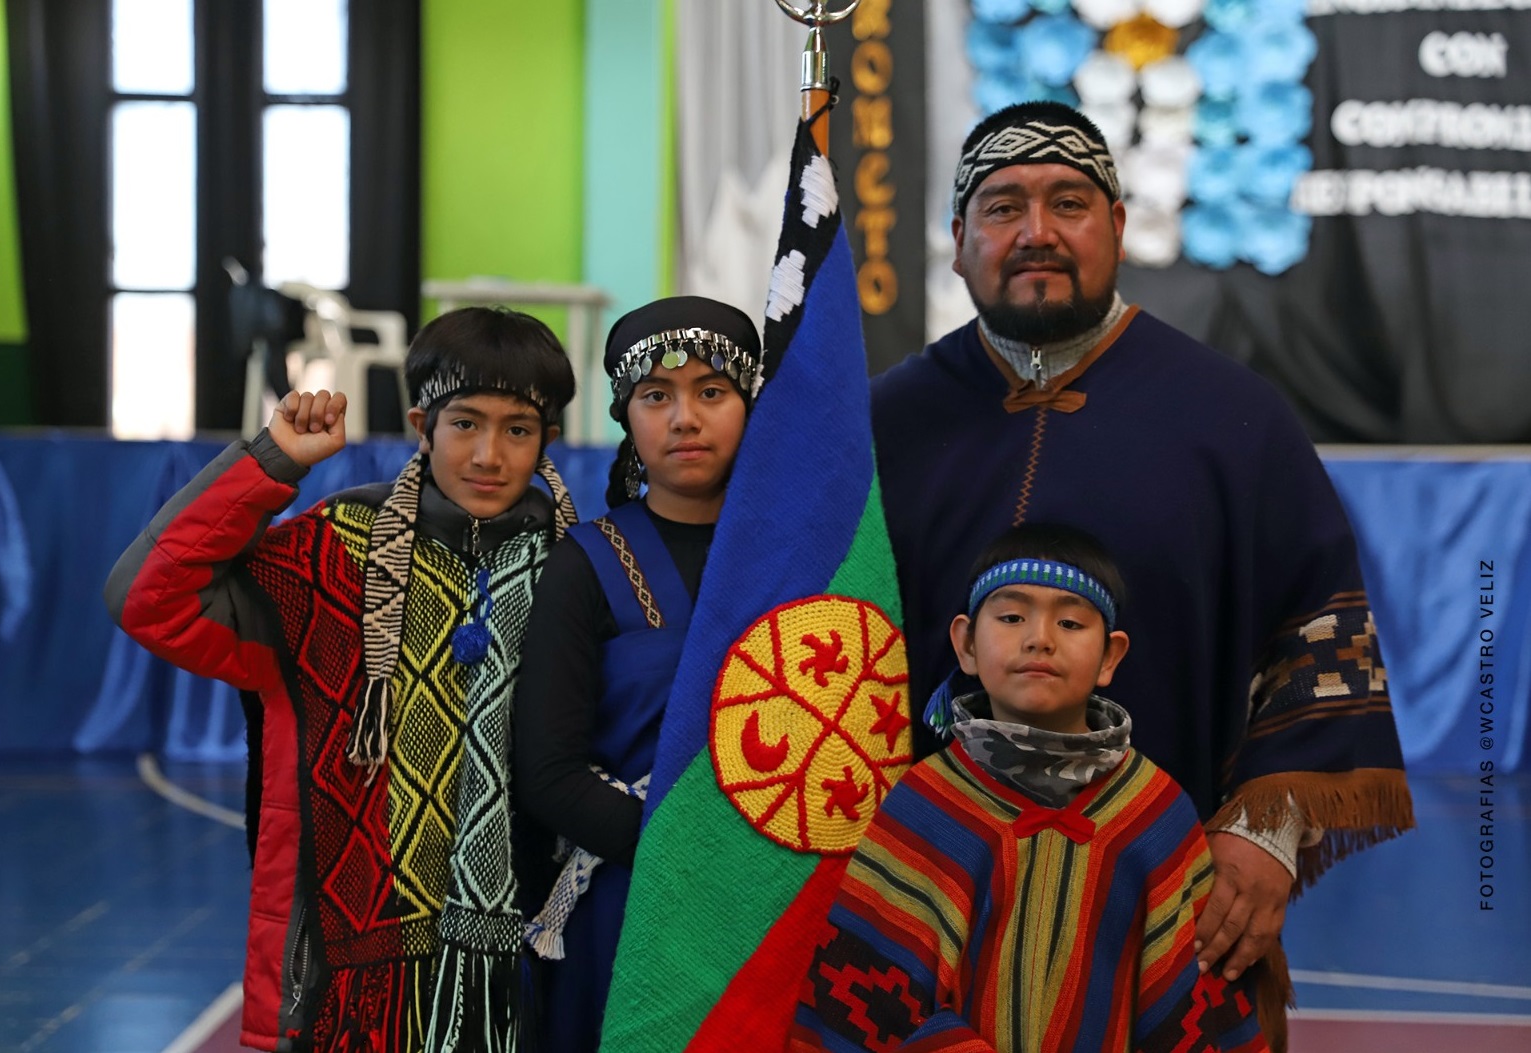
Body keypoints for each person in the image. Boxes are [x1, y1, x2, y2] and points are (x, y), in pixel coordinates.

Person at [871, 100, 1412, 989]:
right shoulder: (881, 428)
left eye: (1068, 203)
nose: (1036, 232)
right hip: (926, 914)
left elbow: (1314, 637)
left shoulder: (1232, 420)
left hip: (1169, 915)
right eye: (1003, 207)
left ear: (1118, 228)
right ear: (958, 236)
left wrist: (1262, 837)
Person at [105, 307, 577, 1053]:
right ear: (422, 422)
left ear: (547, 438)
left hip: (524, 954)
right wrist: (271, 461)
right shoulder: (331, 551)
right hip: (351, 978)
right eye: (465, 424)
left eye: (517, 428)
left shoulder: (576, 572)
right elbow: (151, 599)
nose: (489, 453)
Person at [791, 524, 1280, 1053]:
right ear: (966, 644)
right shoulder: (926, 807)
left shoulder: (1155, 816)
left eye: (1070, 622)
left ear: (1110, 657)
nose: (1039, 638)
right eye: (1010, 617)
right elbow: (868, 1007)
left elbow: (1192, 1013)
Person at [511, 295, 761, 1053]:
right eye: (657, 395)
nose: (684, 418)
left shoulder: (799, 560)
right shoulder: (585, 563)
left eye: (710, 392)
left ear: (748, 403)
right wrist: (690, 852)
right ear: (627, 415)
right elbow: (548, 771)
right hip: (632, 901)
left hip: (774, 898)